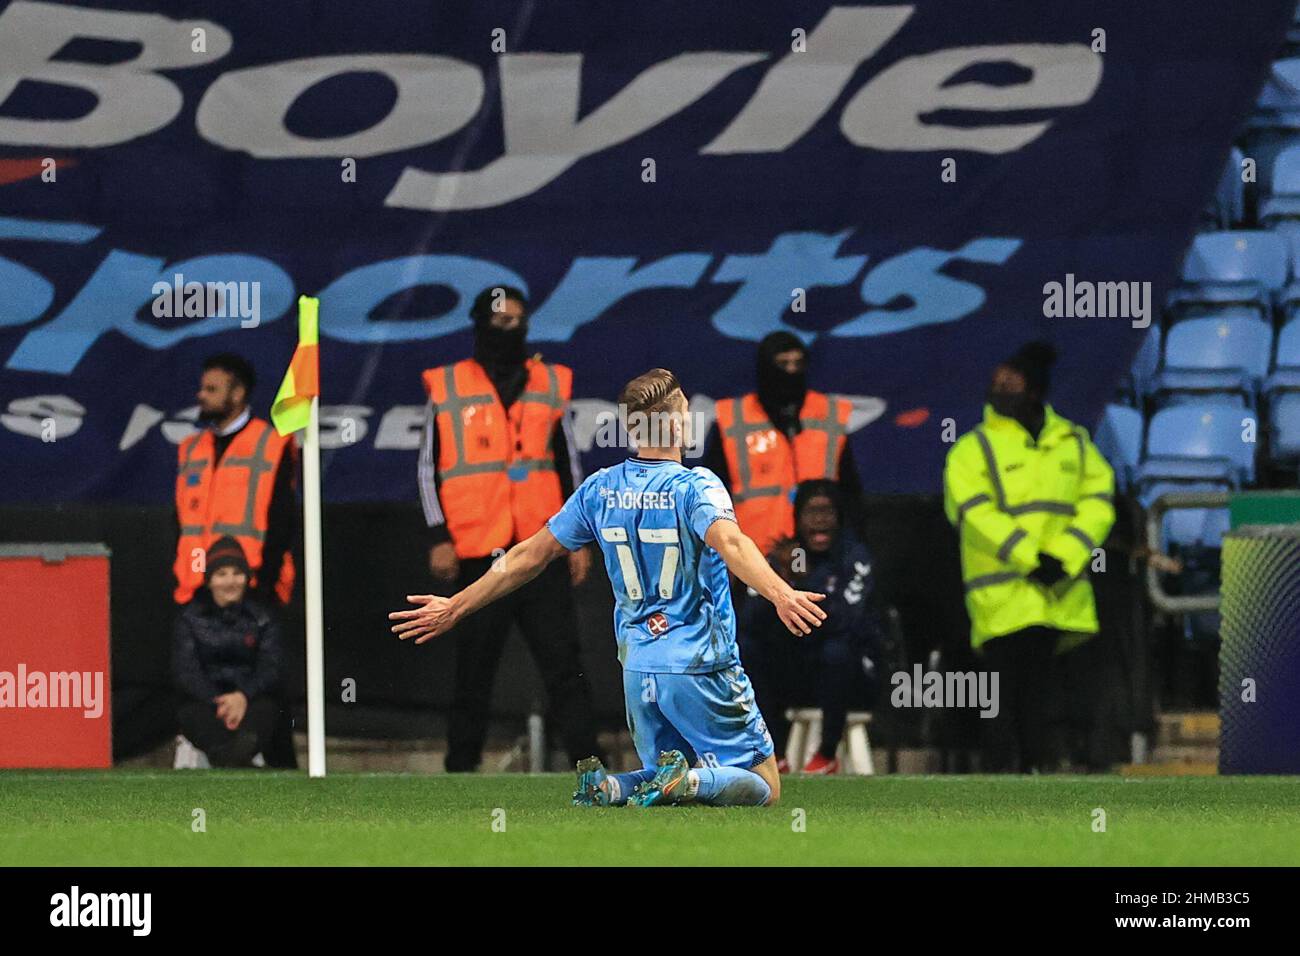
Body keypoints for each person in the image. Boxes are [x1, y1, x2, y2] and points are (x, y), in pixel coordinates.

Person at [391, 368, 829, 807]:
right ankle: (690, 781)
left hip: (638, 668)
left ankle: (611, 786)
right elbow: (731, 542)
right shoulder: (695, 486)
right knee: (766, 788)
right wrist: (782, 594)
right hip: (699, 663)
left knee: (664, 778)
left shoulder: (600, 488)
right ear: (676, 424)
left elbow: (527, 556)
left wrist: (456, 606)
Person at [417, 285, 599, 772]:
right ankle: (460, 772)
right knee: (473, 670)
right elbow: (427, 468)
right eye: (498, 322)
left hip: (542, 549)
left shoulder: (549, 381)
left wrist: (579, 537)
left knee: (565, 666)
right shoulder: (448, 384)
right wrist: (439, 535)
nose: (509, 330)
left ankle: (591, 769)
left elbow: (569, 465)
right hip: (479, 550)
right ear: (478, 324)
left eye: (517, 321)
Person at [942, 341, 1116, 773]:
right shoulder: (972, 448)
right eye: (996, 382)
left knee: (1059, 704)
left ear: (1035, 390)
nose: (999, 388)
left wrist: (1065, 555)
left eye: (1011, 382)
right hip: (1003, 598)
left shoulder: (1074, 442)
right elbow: (973, 512)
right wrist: (1029, 557)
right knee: (1004, 707)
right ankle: (1004, 788)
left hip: (1064, 598)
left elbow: (1099, 500)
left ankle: (1060, 778)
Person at [740, 479, 883, 774]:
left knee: (837, 650)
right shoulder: (783, 556)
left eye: (827, 511)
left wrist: (805, 585)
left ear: (840, 516)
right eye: (811, 511)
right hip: (795, 673)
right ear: (797, 518)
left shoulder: (854, 557)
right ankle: (774, 751)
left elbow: (847, 621)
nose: (819, 519)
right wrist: (784, 582)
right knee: (749, 648)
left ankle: (827, 753)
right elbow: (749, 619)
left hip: (849, 678)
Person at [704, 331, 863, 558]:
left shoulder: (829, 415)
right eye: (782, 363)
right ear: (766, 367)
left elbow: (850, 491)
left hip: (820, 554)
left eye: (798, 363)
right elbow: (712, 494)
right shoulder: (734, 418)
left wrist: (852, 546)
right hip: (754, 554)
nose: (790, 371)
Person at [174, 353, 296, 609]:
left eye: (211, 389)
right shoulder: (191, 448)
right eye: (202, 388)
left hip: (253, 588)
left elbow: (281, 520)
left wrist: (265, 583)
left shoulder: (271, 444)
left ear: (237, 393)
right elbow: (182, 523)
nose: (201, 395)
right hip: (196, 589)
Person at [173, 537, 285, 767]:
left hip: (250, 702)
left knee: (268, 711)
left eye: (237, 573)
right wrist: (219, 702)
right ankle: (236, 759)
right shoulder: (190, 618)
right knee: (190, 713)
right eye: (221, 574)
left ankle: (232, 757)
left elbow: (270, 667)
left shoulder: (263, 617)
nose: (230, 581)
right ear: (209, 580)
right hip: (207, 703)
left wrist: (242, 697)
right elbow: (186, 671)